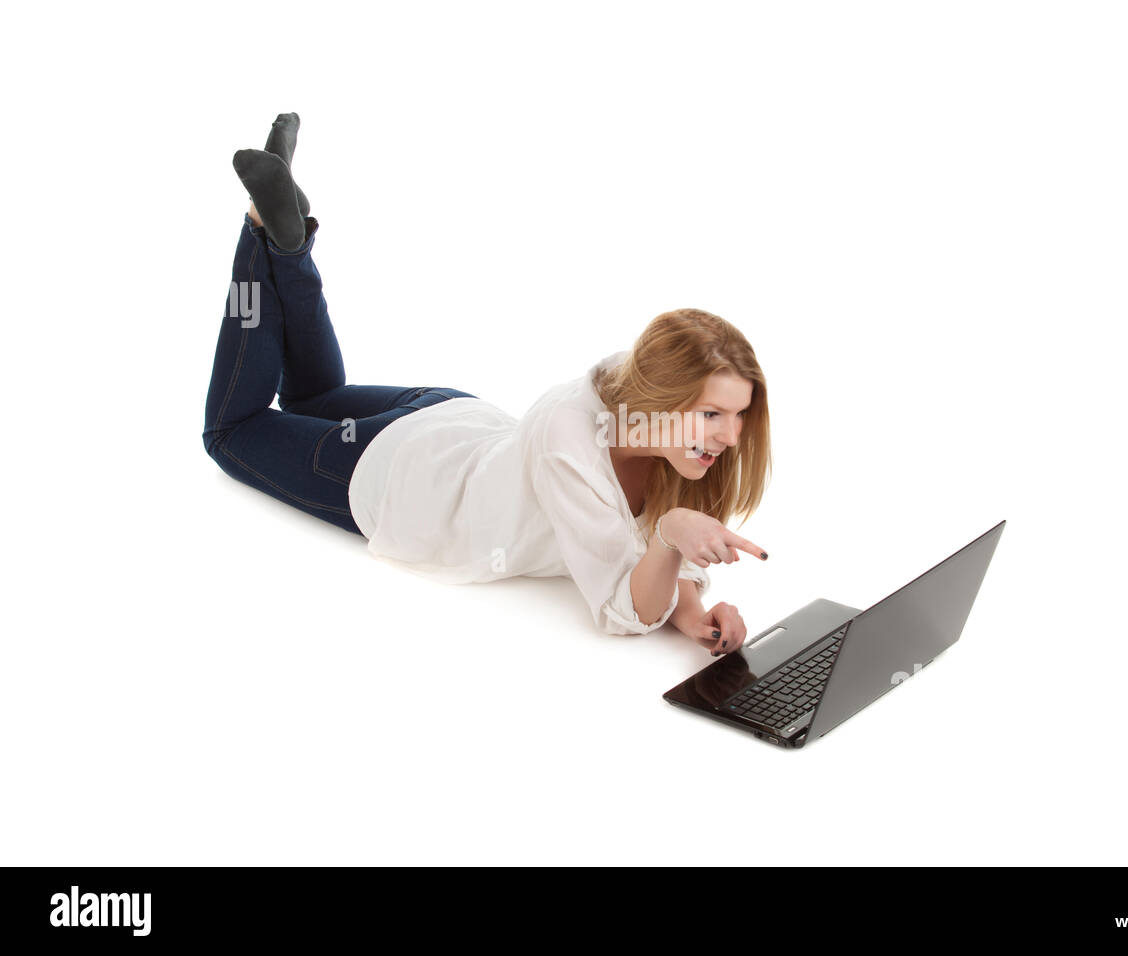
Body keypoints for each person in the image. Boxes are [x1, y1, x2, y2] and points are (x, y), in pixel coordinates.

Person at [204, 113, 773, 653]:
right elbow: (623, 607)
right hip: (401, 480)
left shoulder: (641, 396)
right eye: (712, 414)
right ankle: (264, 232)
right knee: (232, 431)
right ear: (665, 398)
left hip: (452, 422)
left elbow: (651, 560)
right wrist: (671, 534)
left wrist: (693, 609)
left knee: (308, 399)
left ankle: (288, 240)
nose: (728, 437)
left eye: (737, 416)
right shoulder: (569, 443)